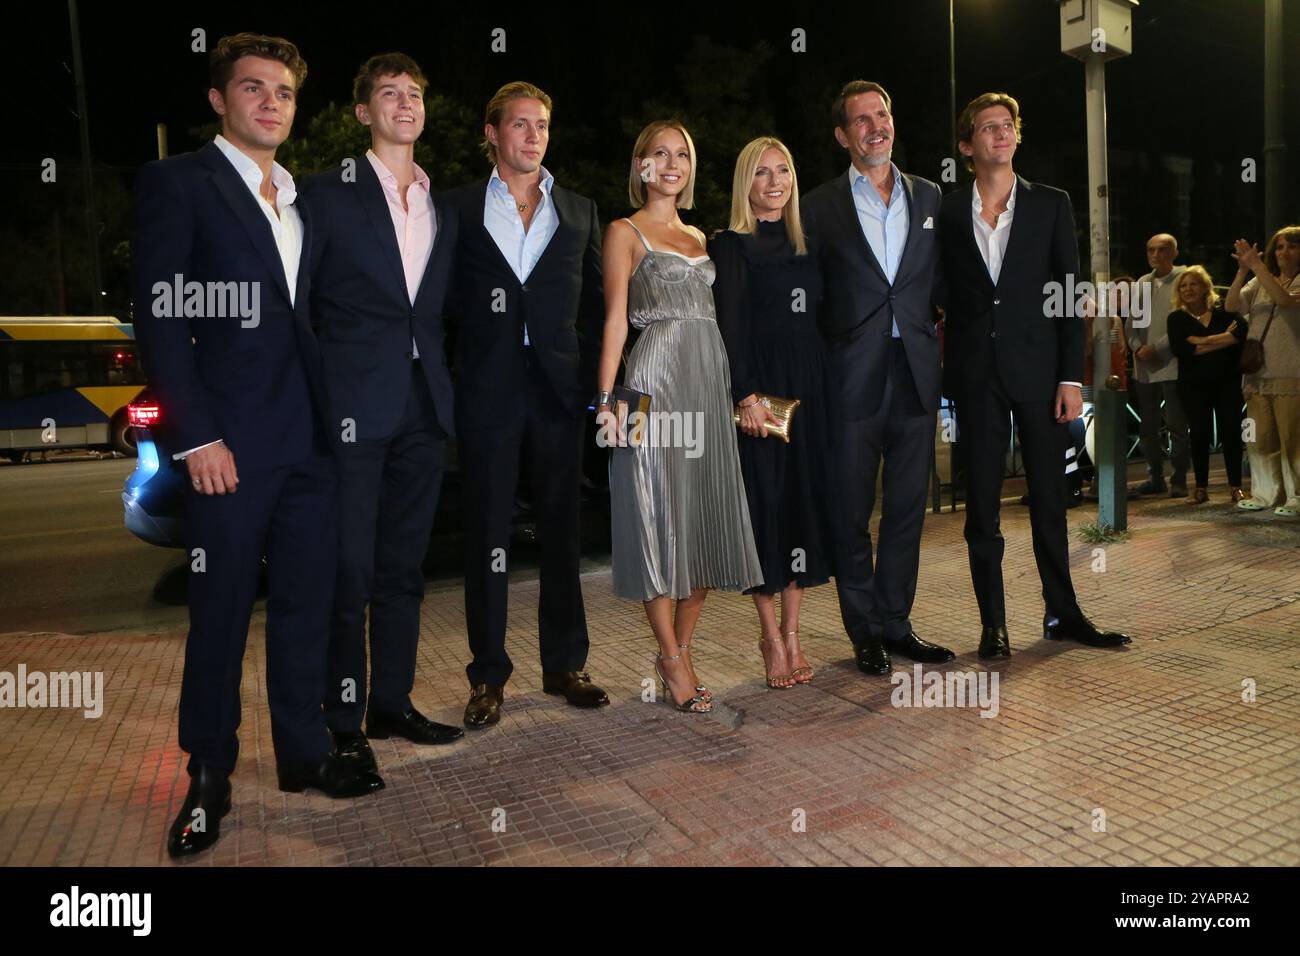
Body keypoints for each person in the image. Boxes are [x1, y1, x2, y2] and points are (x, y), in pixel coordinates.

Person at [132, 33, 382, 860]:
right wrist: (193, 433)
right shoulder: (179, 183)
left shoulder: (301, 196)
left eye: (283, 91)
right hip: (228, 446)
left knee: (307, 607)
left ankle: (304, 753)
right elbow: (164, 316)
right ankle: (208, 774)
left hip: (310, 440)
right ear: (218, 99)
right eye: (253, 88)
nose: (270, 103)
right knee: (220, 615)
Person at [299, 53, 463, 778]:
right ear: (363, 111)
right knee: (348, 571)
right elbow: (298, 306)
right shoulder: (327, 195)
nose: (405, 103)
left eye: (415, 94)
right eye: (389, 94)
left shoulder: (442, 206)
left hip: (424, 408)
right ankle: (342, 722)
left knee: (403, 570)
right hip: (350, 411)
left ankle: (391, 702)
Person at [937, 91, 1132, 659]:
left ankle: (1062, 615)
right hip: (975, 376)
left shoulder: (1051, 204)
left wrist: (1071, 377)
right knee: (982, 506)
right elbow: (940, 284)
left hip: (1043, 377)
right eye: (987, 127)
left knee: (1050, 499)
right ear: (967, 144)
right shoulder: (948, 211)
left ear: (1017, 136)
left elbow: (1068, 294)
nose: (1000, 133)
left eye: (1008, 125)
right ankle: (992, 625)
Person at [443, 82, 609, 728]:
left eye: (542, 123)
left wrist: (603, 390)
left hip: (558, 394)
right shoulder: (455, 209)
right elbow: (440, 305)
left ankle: (566, 663)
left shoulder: (579, 210)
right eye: (519, 124)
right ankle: (487, 676)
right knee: (486, 534)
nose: (534, 135)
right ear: (492, 134)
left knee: (564, 530)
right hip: (487, 393)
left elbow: (597, 311)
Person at [595, 120, 763, 712]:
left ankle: (680, 648)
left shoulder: (701, 236)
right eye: (659, 153)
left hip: (707, 390)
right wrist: (606, 400)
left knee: (705, 523)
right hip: (647, 389)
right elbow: (616, 318)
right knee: (653, 520)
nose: (672, 163)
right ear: (639, 164)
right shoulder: (624, 231)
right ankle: (671, 660)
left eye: (682, 154)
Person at [801, 81, 952, 676]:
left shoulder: (933, 198)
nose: (874, 126)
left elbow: (941, 281)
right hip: (849, 378)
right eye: (860, 120)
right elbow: (808, 299)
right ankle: (863, 630)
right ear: (843, 136)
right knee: (850, 511)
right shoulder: (817, 206)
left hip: (916, 372)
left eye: (882, 114)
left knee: (910, 509)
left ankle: (896, 623)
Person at [712, 136, 836, 688]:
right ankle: (768, 635)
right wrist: (745, 395)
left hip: (811, 389)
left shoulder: (808, 244)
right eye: (762, 173)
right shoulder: (732, 246)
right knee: (766, 510)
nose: (774, 182)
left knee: (803, 507)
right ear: (747, 183)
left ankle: (793, 633)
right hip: (762, 397)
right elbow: (730, 327)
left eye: (783, 170)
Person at [1227, 227, 1300, 518]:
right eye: (1280, 247)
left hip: (1290, 372)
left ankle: (1295, 497)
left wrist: (1257, 266)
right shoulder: (1259, 280)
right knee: (1261, 437)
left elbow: (1284, 301)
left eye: (1292, 247)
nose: (1284, 252)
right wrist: (1243, 271)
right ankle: (1266, 493)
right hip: (1257, 374)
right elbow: (1232, 305)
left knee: (1292, 438)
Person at [1166, 266, 1246, 504]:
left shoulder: (1225, 314)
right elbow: (1183, 349)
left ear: (1205, 288)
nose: (1188, 289)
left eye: (1193, 284)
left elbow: (1239, 337)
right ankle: (1201, 487)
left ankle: (1236, 486)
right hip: (1193, 386)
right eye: (1183, 285)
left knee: (1231, 432)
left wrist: (1202, 342)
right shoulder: (1176, 318)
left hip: (1227, 383)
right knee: (1198, 434)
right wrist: (1222, 339)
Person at [1125, 234, 1190, 497]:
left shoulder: (1185, 279)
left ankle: (1179, 479)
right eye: (1151, 249)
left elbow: (1186, 320)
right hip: (1145, 367)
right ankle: (1155, 478)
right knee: (1148, 427)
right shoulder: (1143, 282)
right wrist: (1136, 347)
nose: (1156, 254)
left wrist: (1157, 347)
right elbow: (1131, 323)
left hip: (1173, 364)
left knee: (1177, 425)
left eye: (1162, 249)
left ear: (1174, 252)